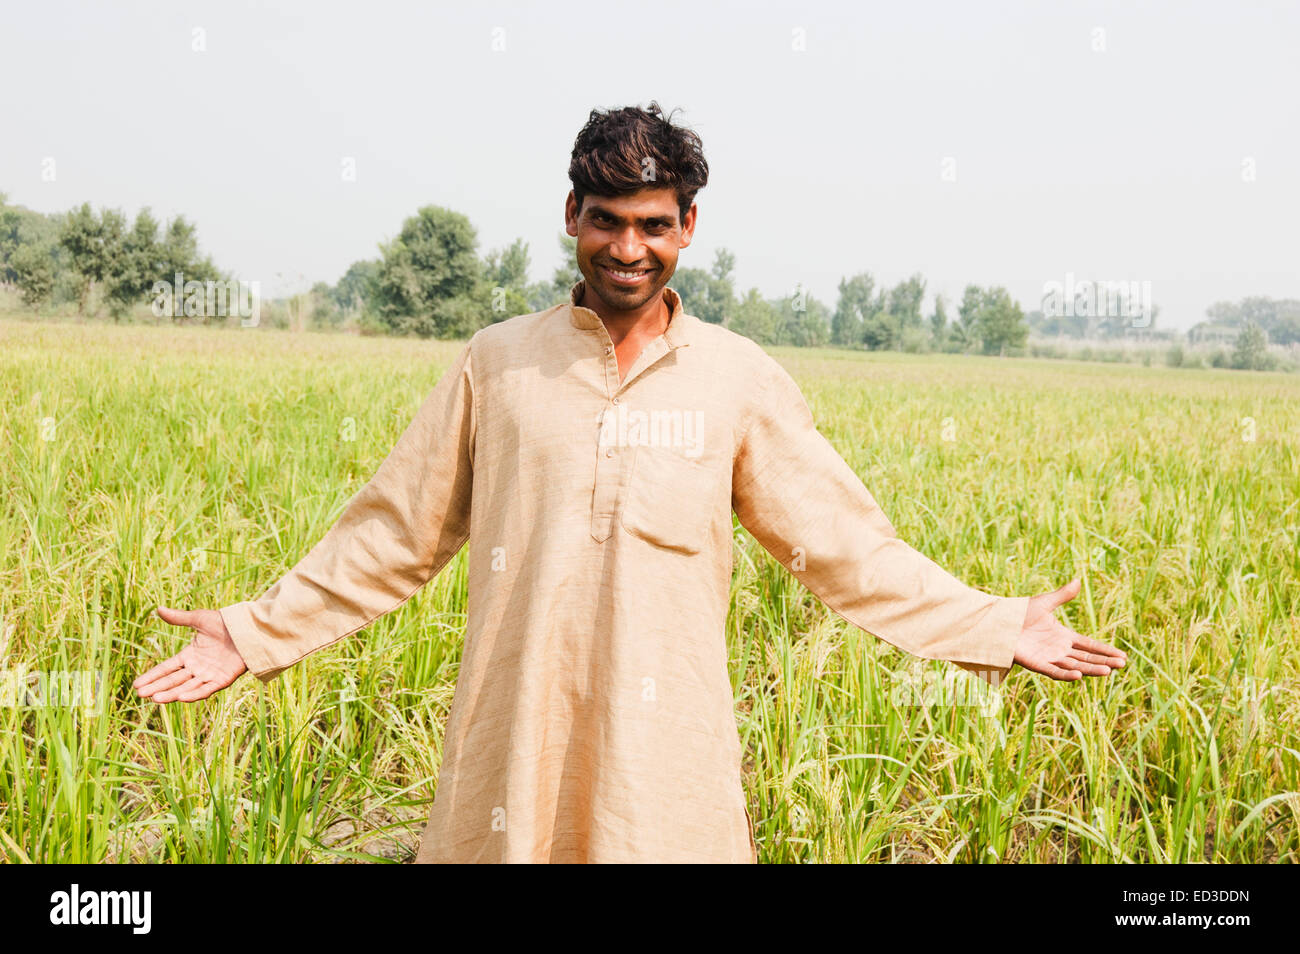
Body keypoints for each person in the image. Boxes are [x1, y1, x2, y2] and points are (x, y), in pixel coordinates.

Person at [135, 101, 1126, 863]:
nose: (626, 248)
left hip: (665, 760)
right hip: (512, 742)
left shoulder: (736, 379)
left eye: (652, 224)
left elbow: (842, 544)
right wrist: (255, 630)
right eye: (605, 220)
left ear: (688, 227)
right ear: (571, 213)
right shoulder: (498, 362)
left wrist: (994, 625)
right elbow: (397, 531)